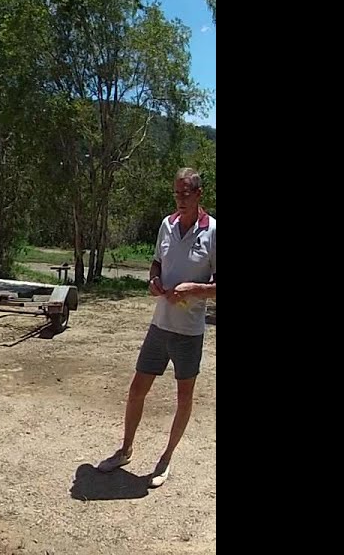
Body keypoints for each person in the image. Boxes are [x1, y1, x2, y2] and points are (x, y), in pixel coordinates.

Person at [98, 167, 216, 488]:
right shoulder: (167, 225)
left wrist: (194, 289)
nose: (180, 199)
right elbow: (156, 262)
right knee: (137, 390)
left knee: (183, 397)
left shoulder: (213, 232)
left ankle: (166, 458)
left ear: (199, 194)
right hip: (160, 325)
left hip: (189, 332)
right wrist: (153, 279)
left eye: (186, 193)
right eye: (176, 193)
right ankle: (125, 449)